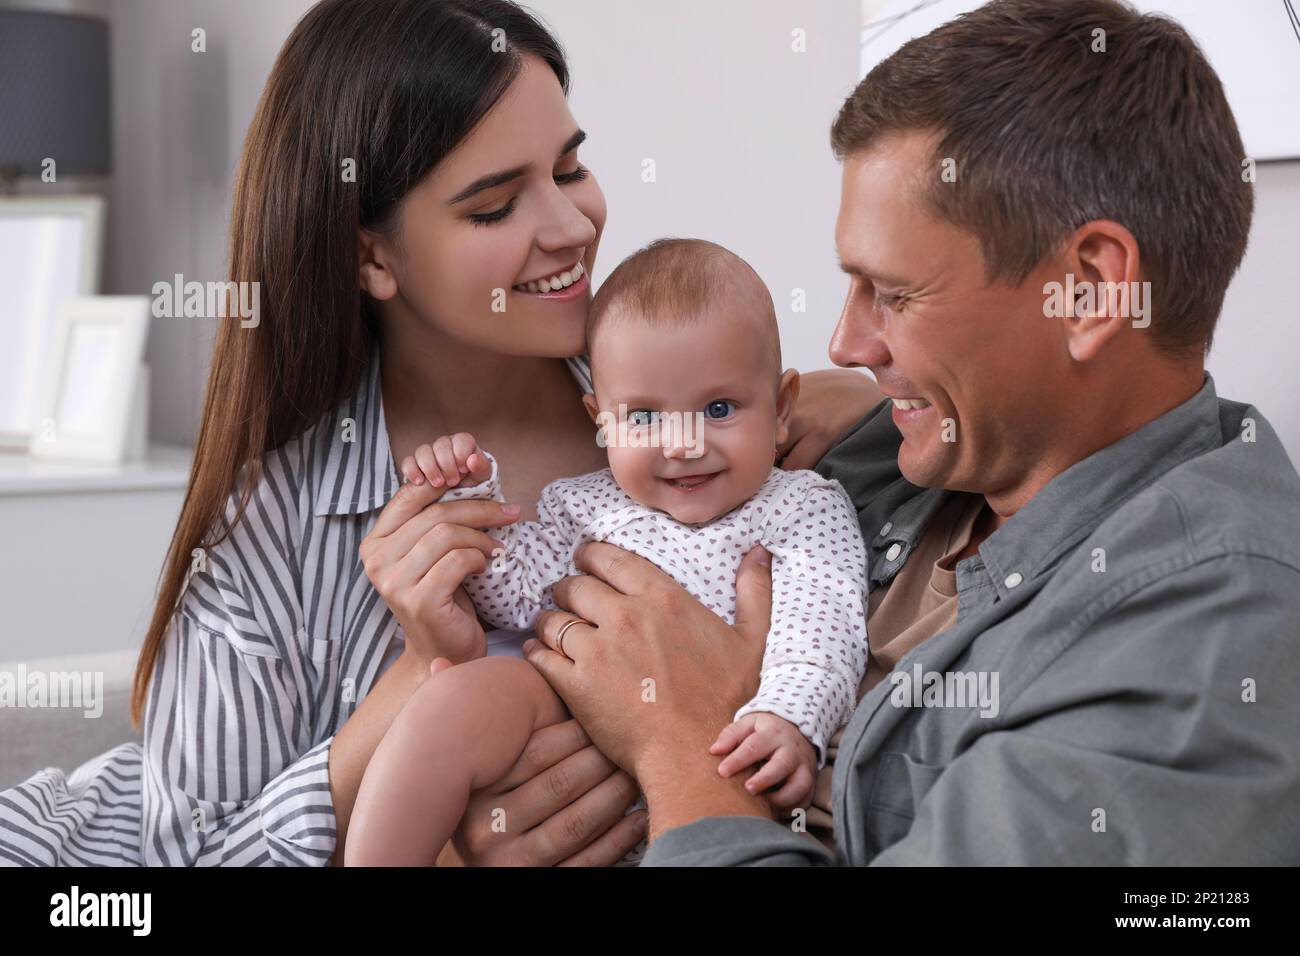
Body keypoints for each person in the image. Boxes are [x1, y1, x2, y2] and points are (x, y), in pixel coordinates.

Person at [0, 0, 880, 867]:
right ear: (371, 257)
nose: (573, 227)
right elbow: (185, 860)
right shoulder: (268, 537)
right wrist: (423, 679)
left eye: (570, 170)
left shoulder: (760, 436)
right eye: (495, 206)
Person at [518, 0, 1300, 864]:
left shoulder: (1199, 653)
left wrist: (684, 753)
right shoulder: (893, 454)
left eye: (892, 293)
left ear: (1088, 291)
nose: (848, 345)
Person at [343, 239, 870, 866]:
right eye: (644, 417)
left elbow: (825, 623)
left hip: (726, 739)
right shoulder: (582, 504)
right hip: (571, 710)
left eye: (719, 409)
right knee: (448, 702)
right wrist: (471, 499)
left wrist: (787, 716)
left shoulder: (801, 505)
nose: (682, 444)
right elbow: (515, 601)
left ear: (781, 410)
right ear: (602, 421)